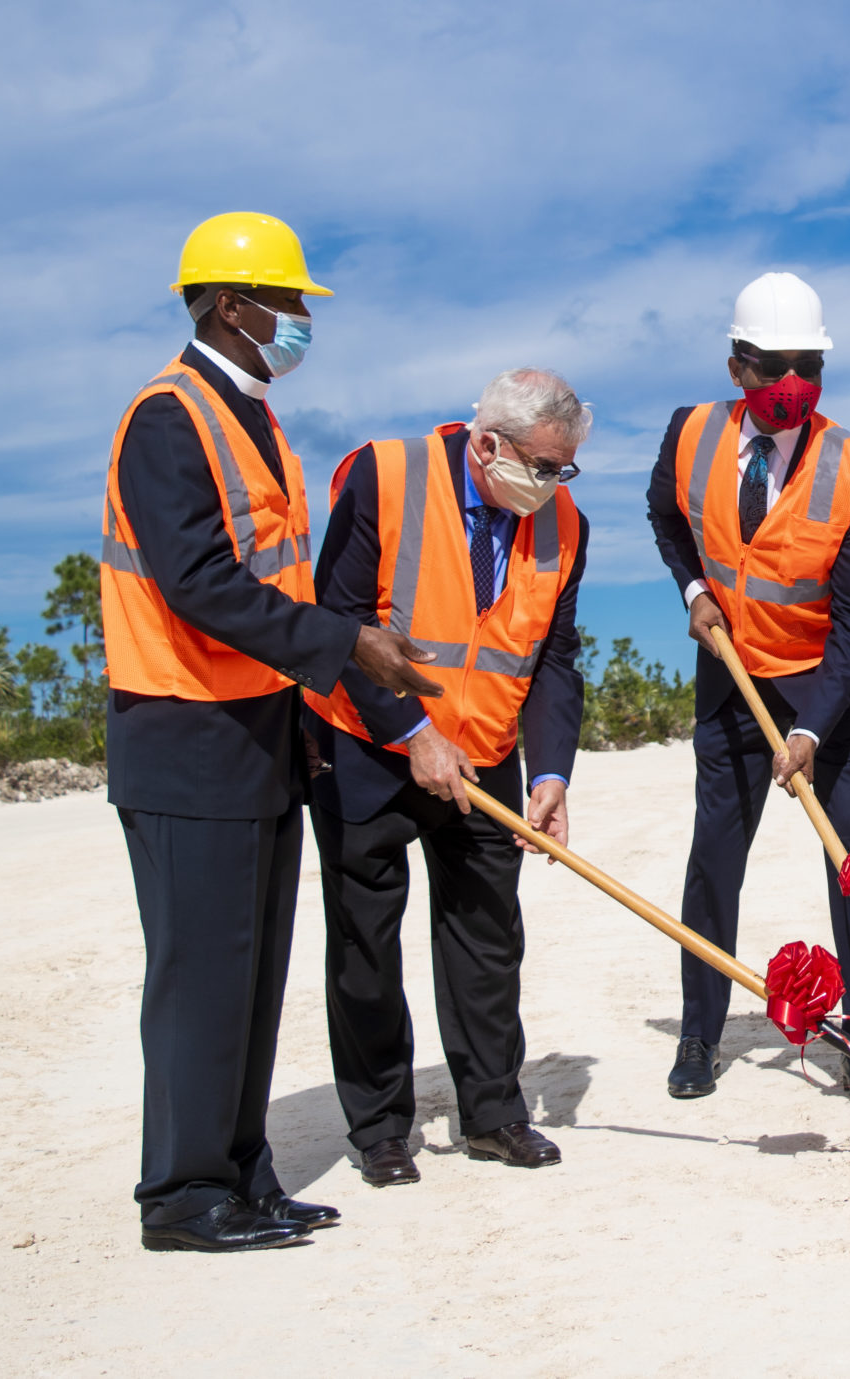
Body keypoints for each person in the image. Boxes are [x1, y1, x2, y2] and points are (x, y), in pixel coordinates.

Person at [101, 212, 443, 1253]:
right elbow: (198, 583)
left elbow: (270, 578)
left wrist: (303, 707)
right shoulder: (169, 416)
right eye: (288, 302)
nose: (299, 321)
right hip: (181, 735)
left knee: (249, 974)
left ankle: (243, 1176)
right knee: (200, 974)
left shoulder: (249, 414)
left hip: (253, 733)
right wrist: (348, 646)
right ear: (231, 305)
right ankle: (184, 1196)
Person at [303, 370, 591, 1186]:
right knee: (365, 941)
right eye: (542, 465)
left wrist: (554, 770)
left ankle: (495, 1112)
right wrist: (413, 731)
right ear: (488, 443)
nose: (552, 484)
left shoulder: (566, 525)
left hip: (489, 753)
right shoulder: (383, 475)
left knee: (488, 938)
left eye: (564, 469)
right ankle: (382, 1126)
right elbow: (337, 624)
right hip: (367, 743)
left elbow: (553, 657)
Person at [645, 272, 850, 1102]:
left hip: (834, 697)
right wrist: (693, 591)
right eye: (773, 364)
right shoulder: (688, 435)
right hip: (732, 685)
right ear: (735, 366)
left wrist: (813, 731)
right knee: (714, 859)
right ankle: (698, 1035)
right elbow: (664, 516)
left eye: (807, 365)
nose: (792, 383)